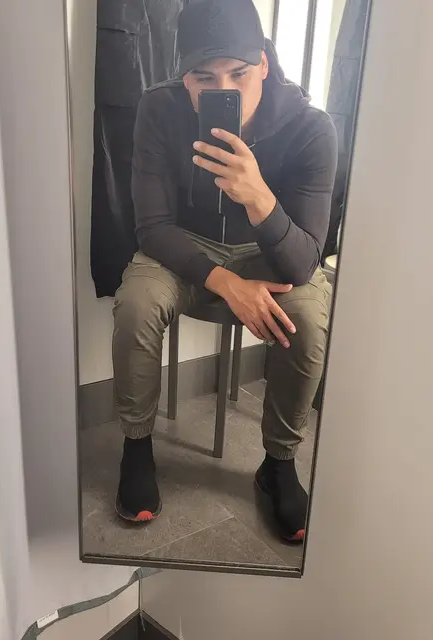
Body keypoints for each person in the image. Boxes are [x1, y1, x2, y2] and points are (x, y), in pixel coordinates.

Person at [113, 0, 337, 543]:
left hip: (271, 249)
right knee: (137, 304)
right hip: (183, 246)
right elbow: (152, 227)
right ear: (183, 78)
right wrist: (227, 283)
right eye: (204, 78)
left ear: (264, 63)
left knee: (309, 319)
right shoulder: (159, 109)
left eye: (239, 73)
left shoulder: (311, 128)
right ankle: (136, 446)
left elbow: (302, 262)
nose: (225, 89)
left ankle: (278, 463)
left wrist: (259, 197)